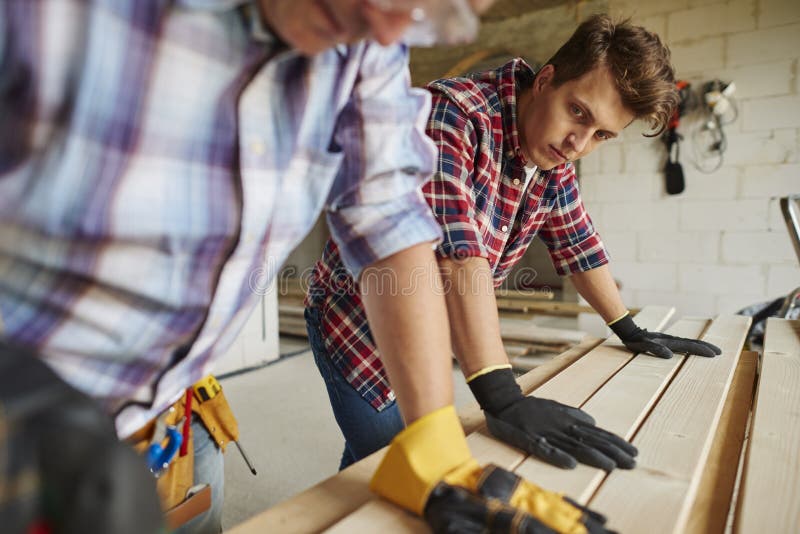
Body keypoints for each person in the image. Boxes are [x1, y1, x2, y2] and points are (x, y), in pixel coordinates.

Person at [0, 1, 614, 533]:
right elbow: (458, 253)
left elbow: (390, 223)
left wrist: (434, 442)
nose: (396, 19)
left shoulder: (366, 52)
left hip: (174, 407)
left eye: (442, 11)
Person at [305, 13, 722, 473]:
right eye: (579, 112)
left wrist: (627, 326)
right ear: (545, 80)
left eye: (601, 135)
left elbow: (578, 240)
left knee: (378, 466)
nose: (579, 143)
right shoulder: (454, 116)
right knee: (400, 464)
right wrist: (502, 395)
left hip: (431, 323)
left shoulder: (554, 151)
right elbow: (457, 256)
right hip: (359, 324)